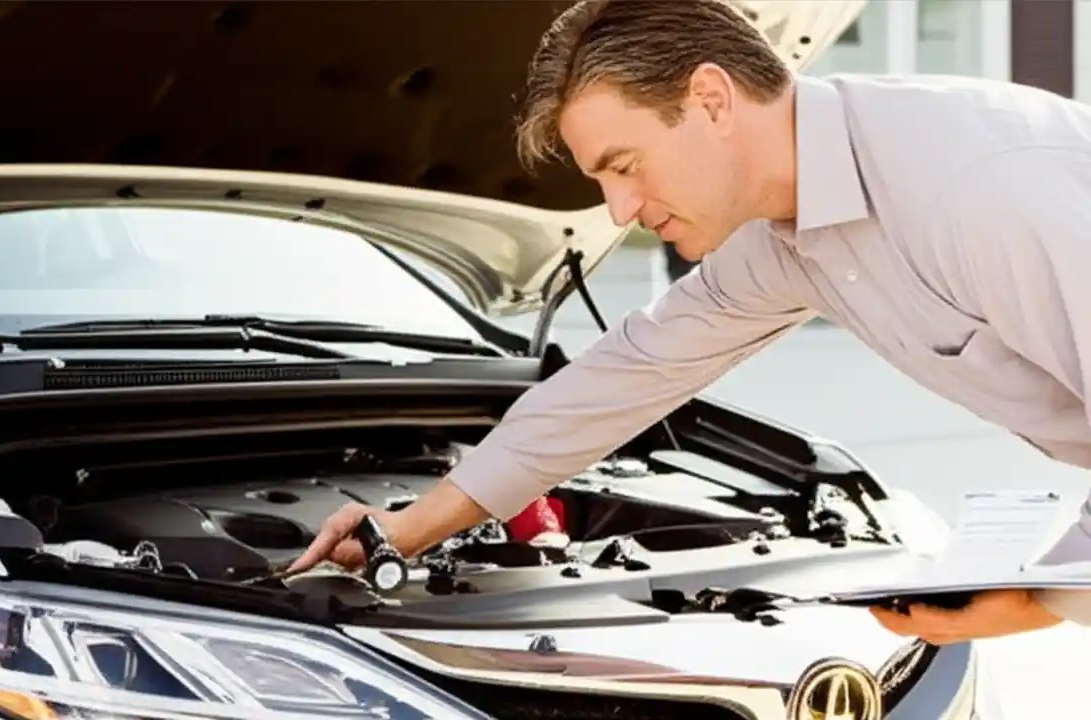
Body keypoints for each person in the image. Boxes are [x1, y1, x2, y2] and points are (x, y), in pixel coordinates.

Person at [289, 0, 1091, 646]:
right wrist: (411, 528)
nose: (621, 210)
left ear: (710, 99)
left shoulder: (979, 190)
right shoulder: (786, 235)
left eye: (625, 167)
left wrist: (1044, 598)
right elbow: (625, 377)